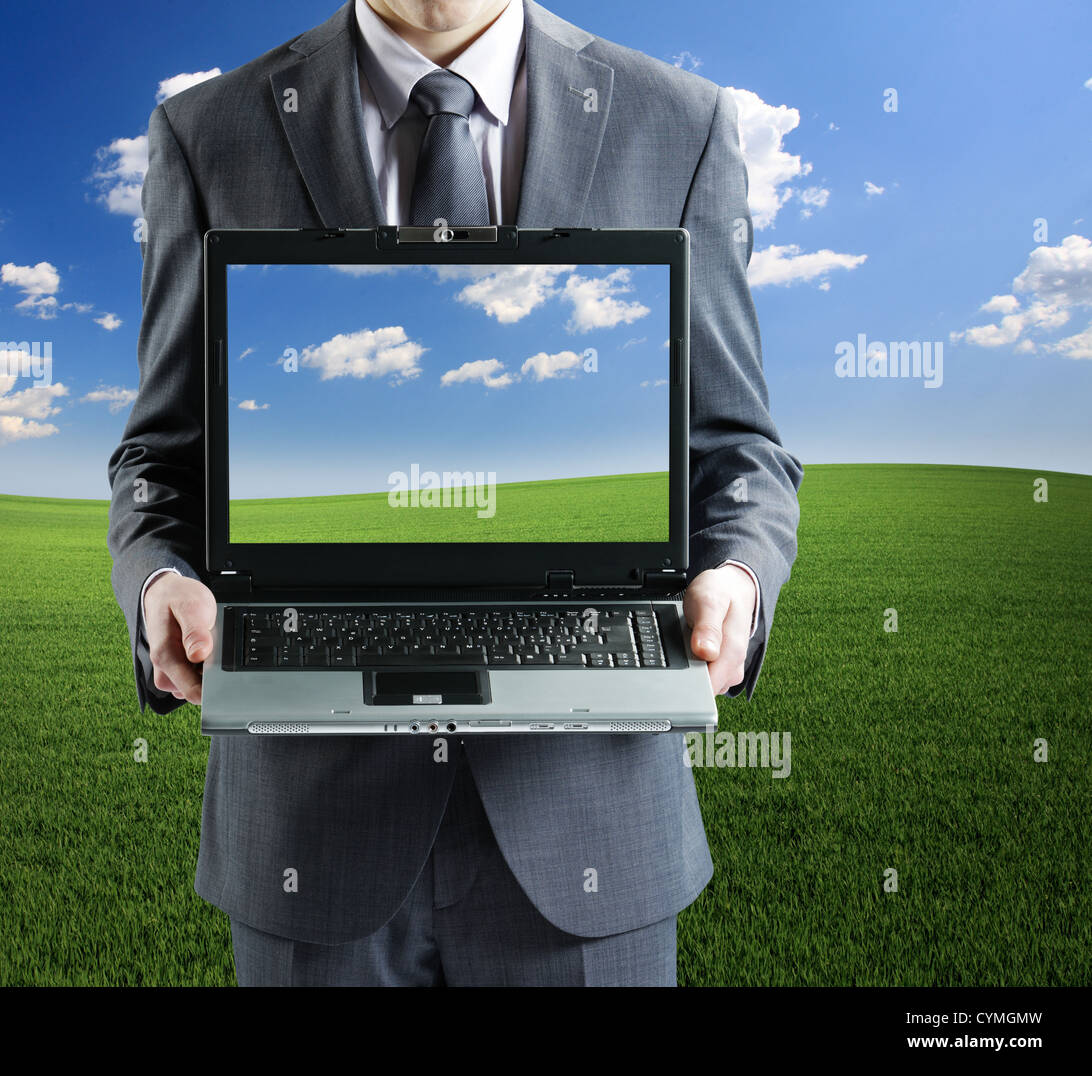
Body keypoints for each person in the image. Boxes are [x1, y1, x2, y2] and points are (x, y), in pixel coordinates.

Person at [107, 0, 802, 986]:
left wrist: (735, 570)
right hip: (310, 843)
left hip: (591, 838)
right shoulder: (208, 131)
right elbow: (158, 453)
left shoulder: (676, 121)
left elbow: (737, 445)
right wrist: (159, 582)